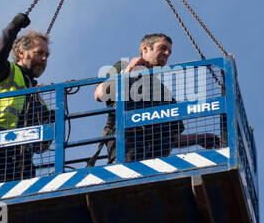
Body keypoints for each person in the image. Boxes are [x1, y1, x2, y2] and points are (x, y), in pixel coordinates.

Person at [94, 33, 219, 164]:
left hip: (156, 156)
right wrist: (127, 72)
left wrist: (202, 138)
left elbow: (172, 138)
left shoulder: (163, 92)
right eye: (162, 48)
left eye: (169, 52)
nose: (166, 54)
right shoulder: (123, 67)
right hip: (128, 144)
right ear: (145, 49)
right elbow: (99, 94)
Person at [0, 13, 52, 184]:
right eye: (39, 53)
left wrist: (50, 120)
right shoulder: (6, 72)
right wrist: (13, 27)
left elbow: (41, 146)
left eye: (47, 55)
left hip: (20, 157)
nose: (44, 59)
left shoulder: (36, 96)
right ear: (21, 53)